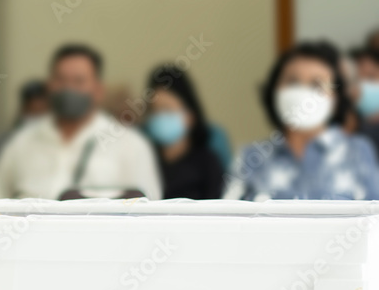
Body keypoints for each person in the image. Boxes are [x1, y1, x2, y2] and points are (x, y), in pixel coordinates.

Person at [0, 44, 162, 200]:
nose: (68, 89)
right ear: (49, 86)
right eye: (60, 80)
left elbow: (149, 213)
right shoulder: (22, 142)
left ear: (98, 90)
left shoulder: (130, 145)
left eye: (78, 81)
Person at [224, 41, 379, 201]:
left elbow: (375, 216)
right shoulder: (251, 157)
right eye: (292, 82)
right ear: (274, 91)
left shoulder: (358, 152)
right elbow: (226, 220)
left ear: (335, 97)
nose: (303, 92)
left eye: (316, 84)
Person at [141, 65, 224, 199]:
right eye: (154, 110)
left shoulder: (207, 164)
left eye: (167, 109)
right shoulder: (144, 161)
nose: (160, 117)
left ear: (189, 116)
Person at [352, 48, 379, 152]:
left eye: (362, 64)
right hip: (365, 129)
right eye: (358, 64)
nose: (358, 67)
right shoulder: (356, 87)